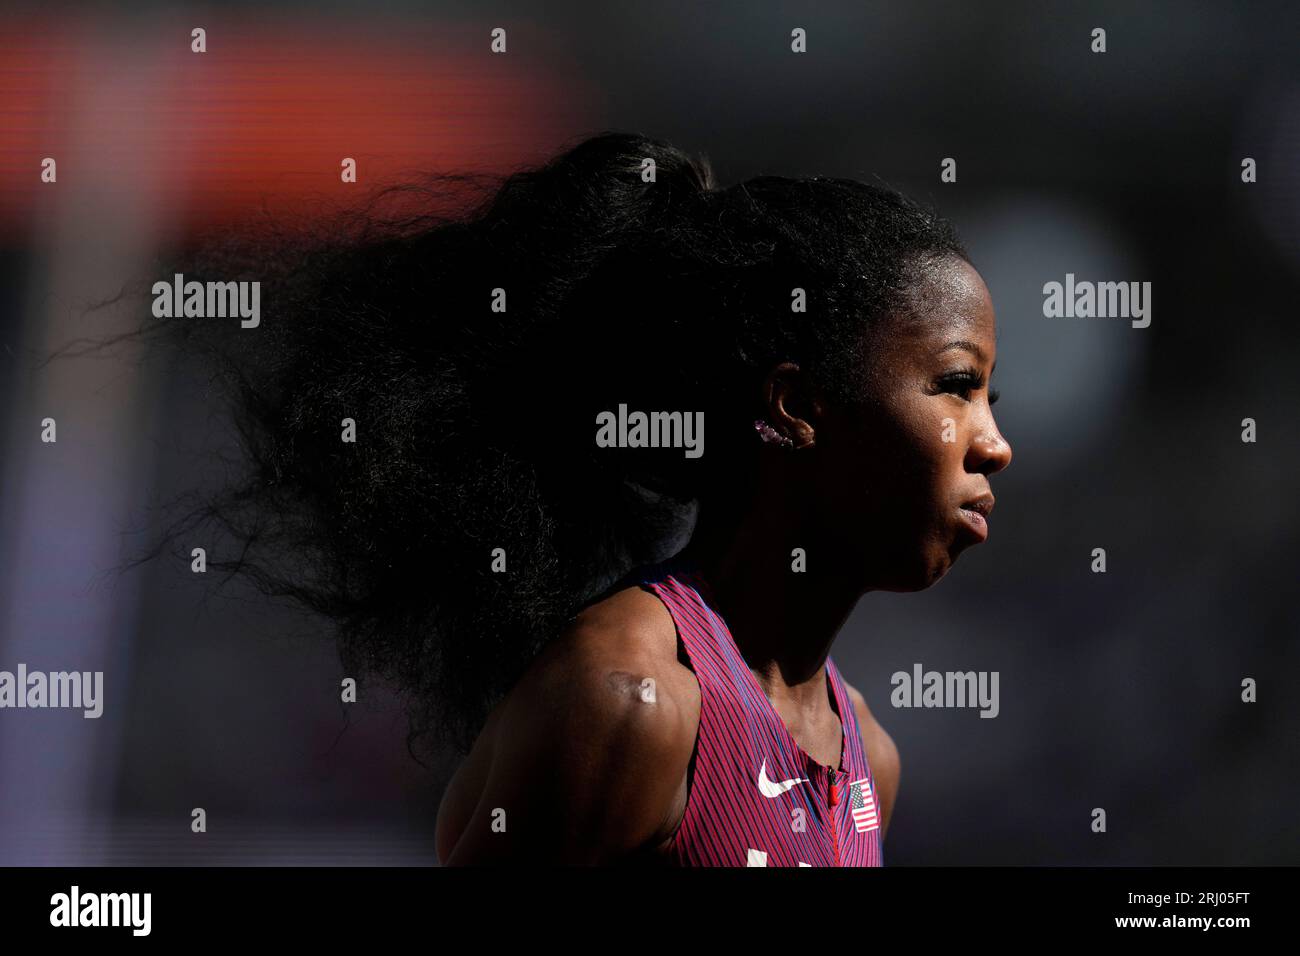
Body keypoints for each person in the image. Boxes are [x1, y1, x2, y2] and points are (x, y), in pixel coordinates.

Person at [117, 130, 1011, 865]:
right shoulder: (626, 708)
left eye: (990, 399)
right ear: (798, 408)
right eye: (955, 386)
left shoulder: (867, 758)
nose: (996, 446)